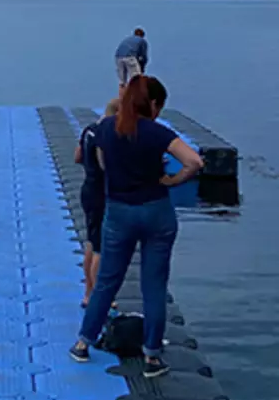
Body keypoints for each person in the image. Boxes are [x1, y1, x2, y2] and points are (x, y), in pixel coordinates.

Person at [68, 75, 204, 378]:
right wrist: (170, 180)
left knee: (106, 281)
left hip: (119, 211)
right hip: (156, 211)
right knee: (153, 285)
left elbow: (99, 162)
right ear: (153, 104)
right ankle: (152, 356)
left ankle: (83, 342)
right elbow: (194, 161)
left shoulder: (105, 128)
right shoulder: (158, 133)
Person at [74, 98, 119, 307]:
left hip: (88, 188)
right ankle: (96, 296)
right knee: (101, 248)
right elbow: (107, 166)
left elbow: (77, 157)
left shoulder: (89, 130)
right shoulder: (107, 135)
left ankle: (88, 292)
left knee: (91, 243)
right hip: (102, 192)